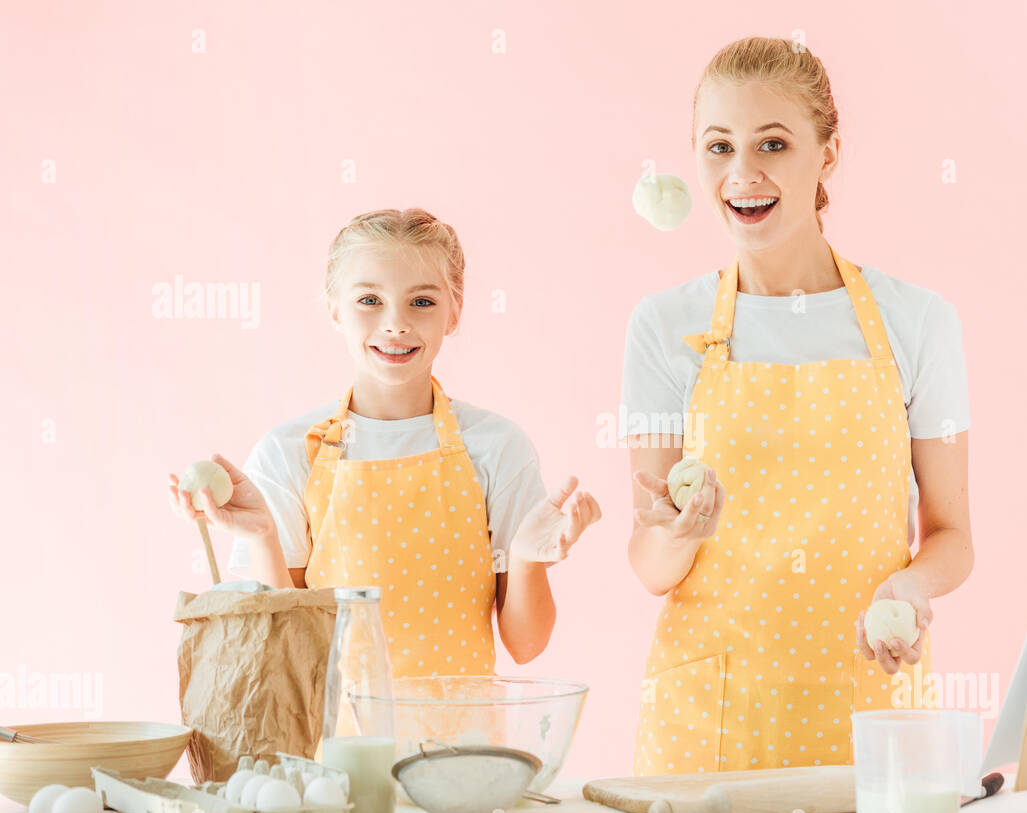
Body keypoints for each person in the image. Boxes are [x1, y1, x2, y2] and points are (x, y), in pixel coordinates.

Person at [622, 38, 973, 774]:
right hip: (709, 723)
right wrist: (681, 532)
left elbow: (950, 534)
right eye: (718, 147)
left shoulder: (918, 321)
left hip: (870, 704)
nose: (742, 175)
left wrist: (907, 586)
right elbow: (651, 564)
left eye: (773, 144)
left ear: (828, 154)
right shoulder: (663, 327)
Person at [169, 208, 601, 676]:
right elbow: (283, 656)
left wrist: (524, 560)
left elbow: (527, 644)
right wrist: (263, 538)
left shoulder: (497, 446)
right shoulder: (290, 451)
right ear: (335, 309)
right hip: (331, 746)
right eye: (370, 300)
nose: (395, 324)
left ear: (454, 312)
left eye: (422, 302)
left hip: (460, 744)